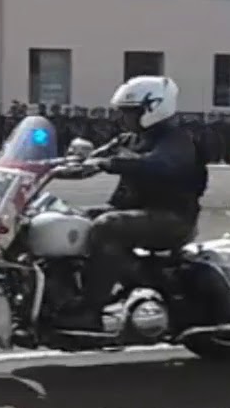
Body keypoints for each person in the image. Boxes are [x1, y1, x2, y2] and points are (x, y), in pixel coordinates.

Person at [54, 75, 207, 332]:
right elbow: (93, 160)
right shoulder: (128, 139)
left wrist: (112, 164)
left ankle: (91, 310)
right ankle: (64, 297)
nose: (122, 118)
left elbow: (160, 164)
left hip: (171, 217)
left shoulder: (177, 140)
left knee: (107, 226)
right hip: (136, 213)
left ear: (152, 109)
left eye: (129, 112)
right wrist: (49, 166)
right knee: (69, 219)